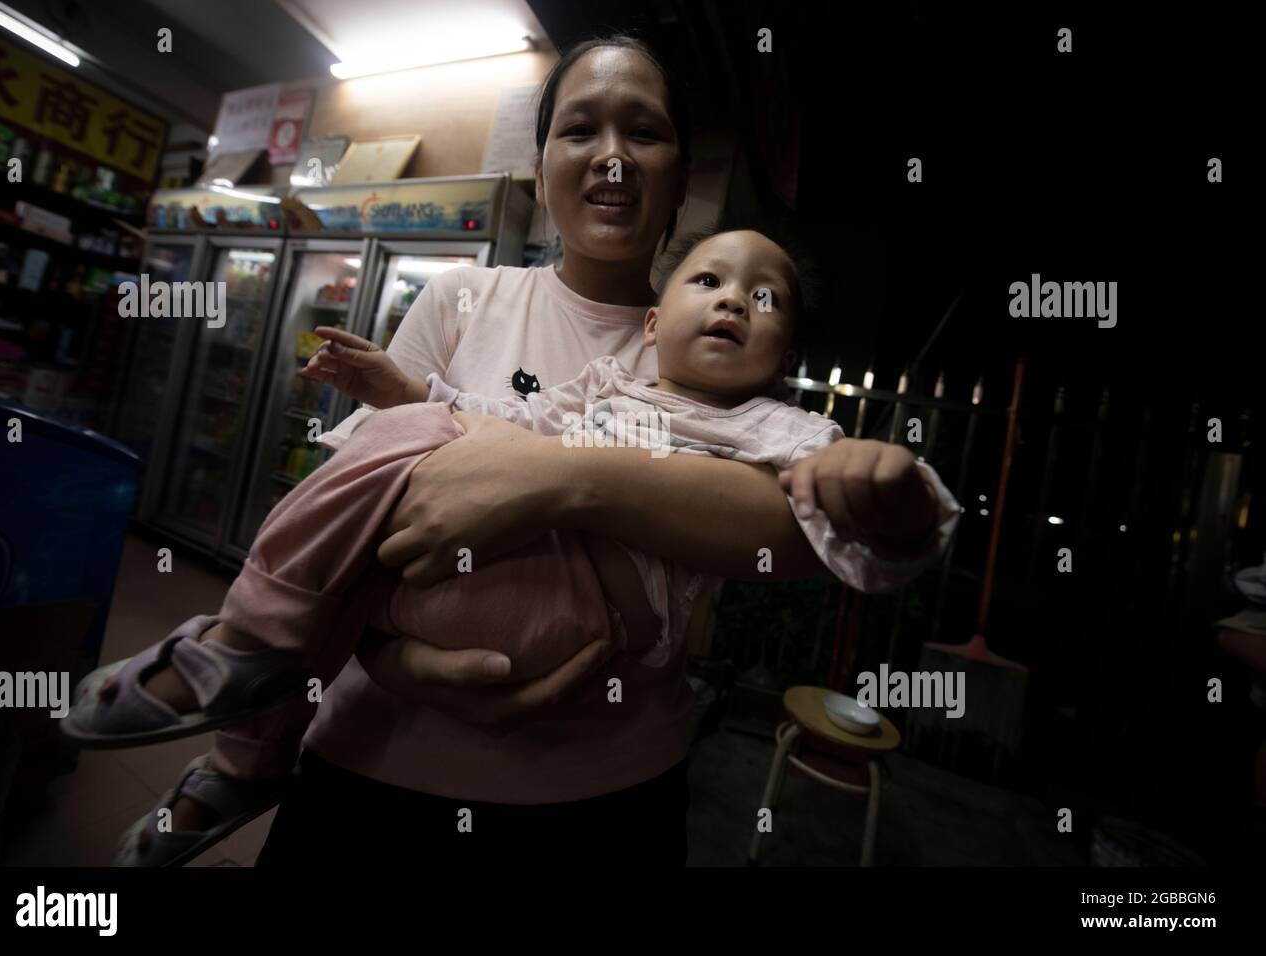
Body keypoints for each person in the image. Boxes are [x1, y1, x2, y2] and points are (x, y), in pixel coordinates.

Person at [78, 35, 956, 867]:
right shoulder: (463, 300)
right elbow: (357, 503)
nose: (611, 154)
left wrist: (563, 479)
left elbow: (804, 532)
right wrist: (391, 653)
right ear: (540, 172)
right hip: (370, 760)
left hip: (605, 799)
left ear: (682, 176)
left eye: (643, 132)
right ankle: (241, 691)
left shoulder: (707, 358)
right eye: (580, 129)